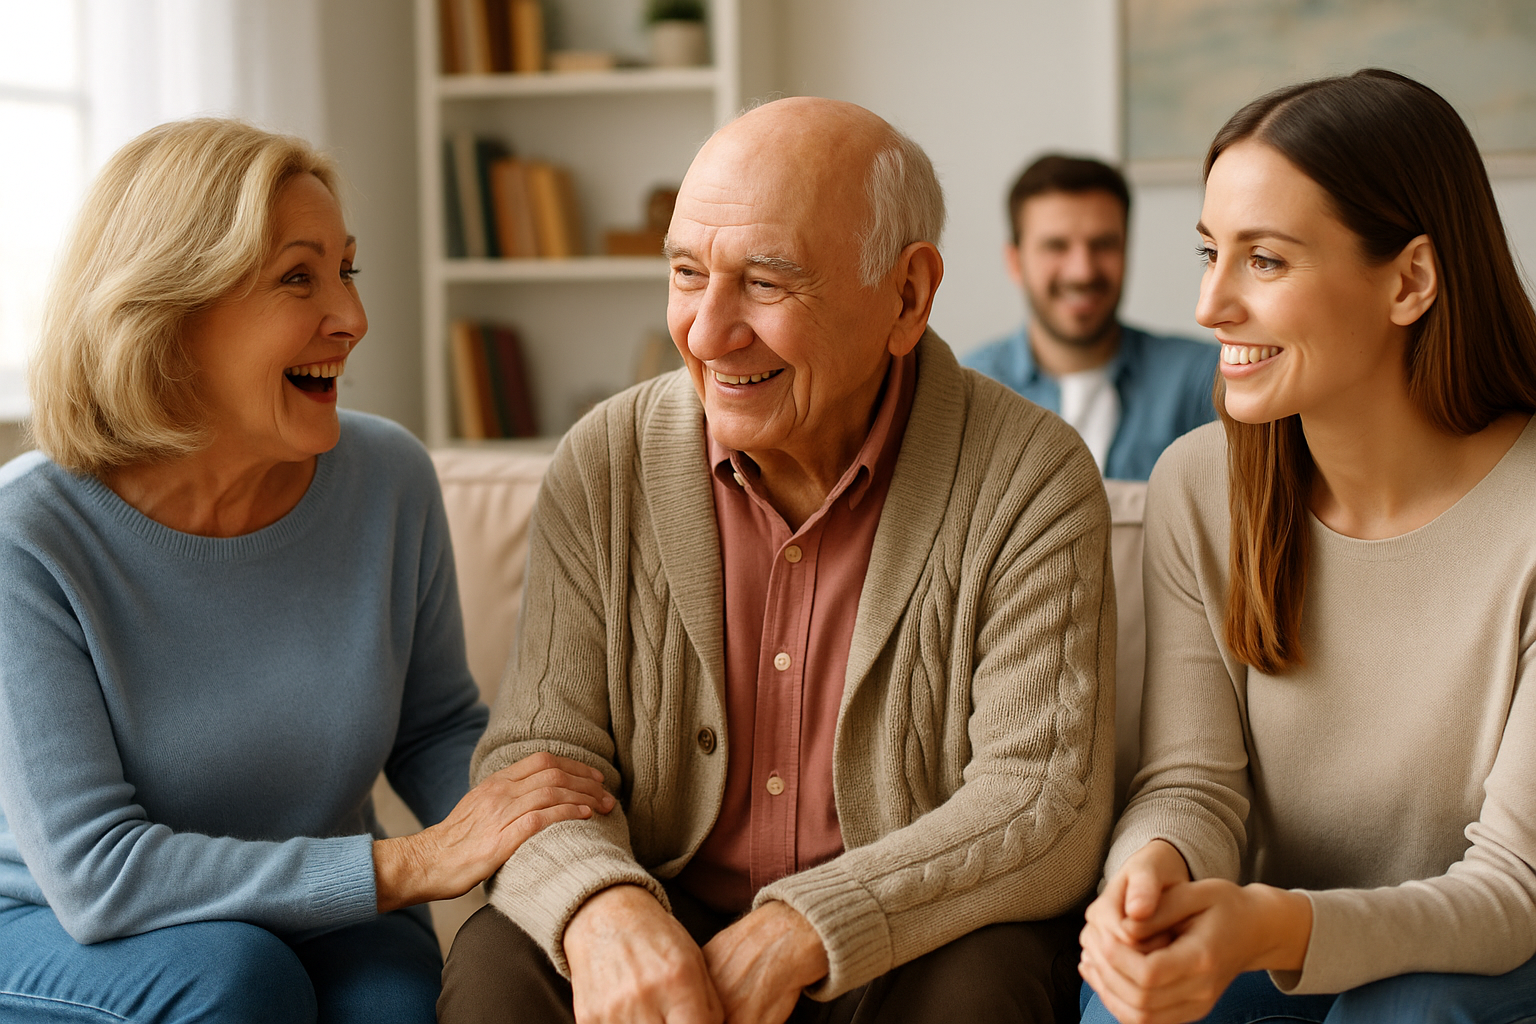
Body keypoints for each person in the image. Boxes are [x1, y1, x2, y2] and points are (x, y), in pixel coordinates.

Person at [438, 97, 1116, 1024]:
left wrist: (808, 925)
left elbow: (1042, 802)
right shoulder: (606, 460)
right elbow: (534, 760)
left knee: (990, 975)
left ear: (908, 296)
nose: (708, 334)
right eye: (686, 274)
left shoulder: (1029, 475)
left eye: (765, 283)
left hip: (901, 932)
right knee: (501, 954)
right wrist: (604, 909)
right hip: (658, 894)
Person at [0, 118, 613, 1024]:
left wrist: (552, 845)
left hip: (327, 915)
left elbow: (436, 728)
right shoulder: (29, 534)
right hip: (56, 923)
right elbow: (99, 875)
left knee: (396, 1006)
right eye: (298, 277)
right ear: (170, 309)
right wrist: (412, 863)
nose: (354, 318)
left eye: (346, 270)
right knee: (236, 981)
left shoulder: (387, 480)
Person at [1078, 69, 1536, 1024]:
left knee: (1414, 1009)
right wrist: (1147, 881)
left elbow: (1512, 889)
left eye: (1267, 261)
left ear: (1410, 280)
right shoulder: (1201, 484)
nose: (1208, 306)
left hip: (1490, 947)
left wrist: (1270, 926)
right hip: (1272, 926)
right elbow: (1191, 782)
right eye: (1209, 252)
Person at [963, 155, 1218, 480]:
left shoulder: (1204, 378)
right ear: (1015, 262)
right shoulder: (968, 393)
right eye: (1056, 246)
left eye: (1103, 245)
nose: (1082, 271)